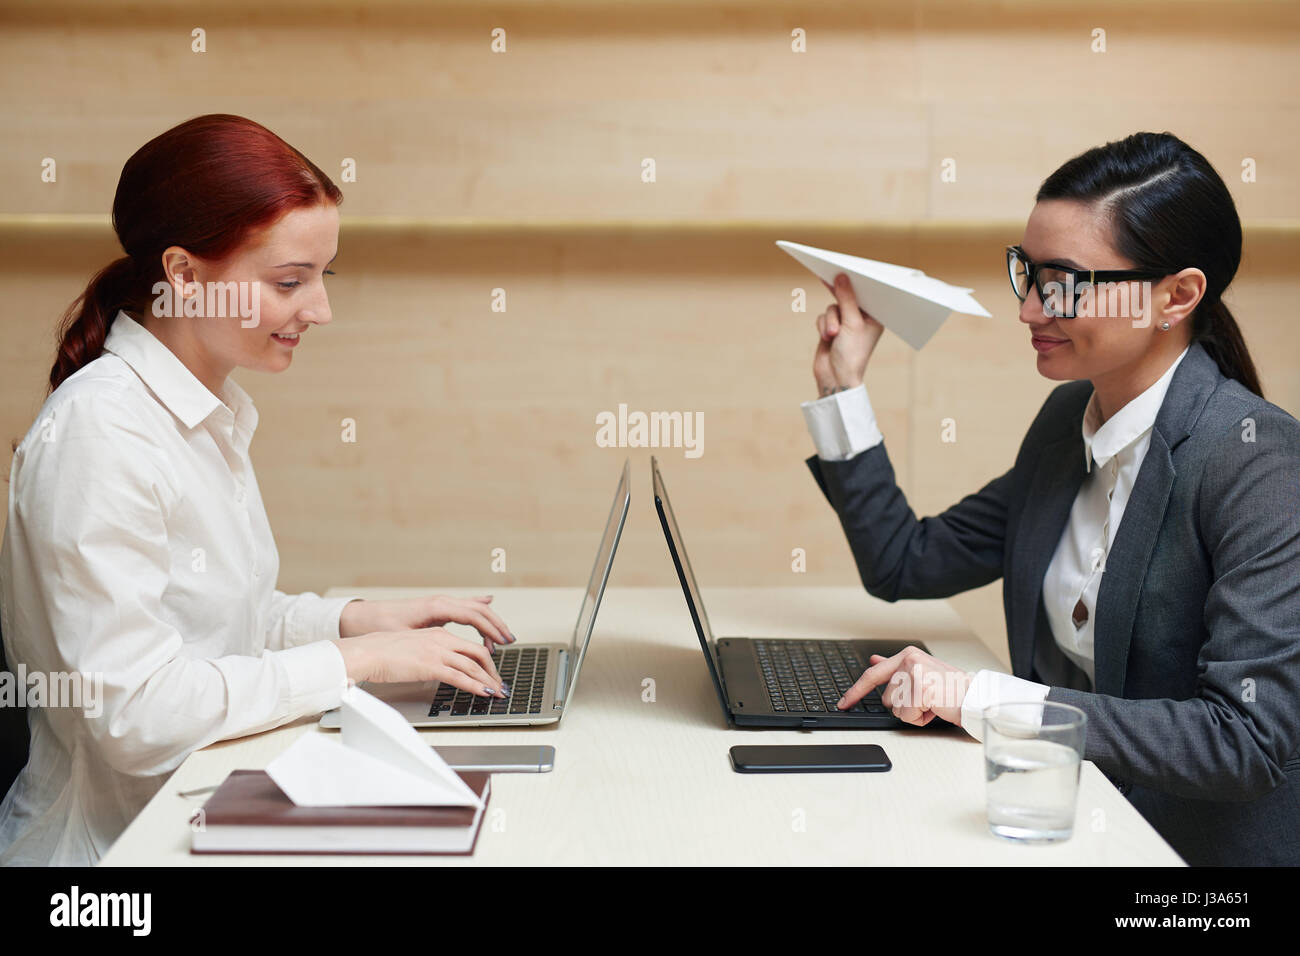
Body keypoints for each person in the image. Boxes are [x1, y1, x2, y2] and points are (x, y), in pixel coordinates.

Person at [0, 114, 513, 866]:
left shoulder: (205, 415)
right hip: (117, 859)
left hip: (203, 808)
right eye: (288, 282)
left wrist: (364, 621)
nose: (319, 310)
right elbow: (134, 711)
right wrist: (355, 664)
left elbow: (216, 628)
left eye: (320, 277)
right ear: (183, 275)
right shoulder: (101, 435)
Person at [801, 131, 1300, 866]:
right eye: (1027, 275)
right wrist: (843, 388)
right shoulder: (1069, 420)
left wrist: (982, 700)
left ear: (1177, 295)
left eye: (1062, 282)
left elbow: (1245, 742)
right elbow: (903, 563)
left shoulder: (1258, 464)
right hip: (1063, 825)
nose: (1031, 310)